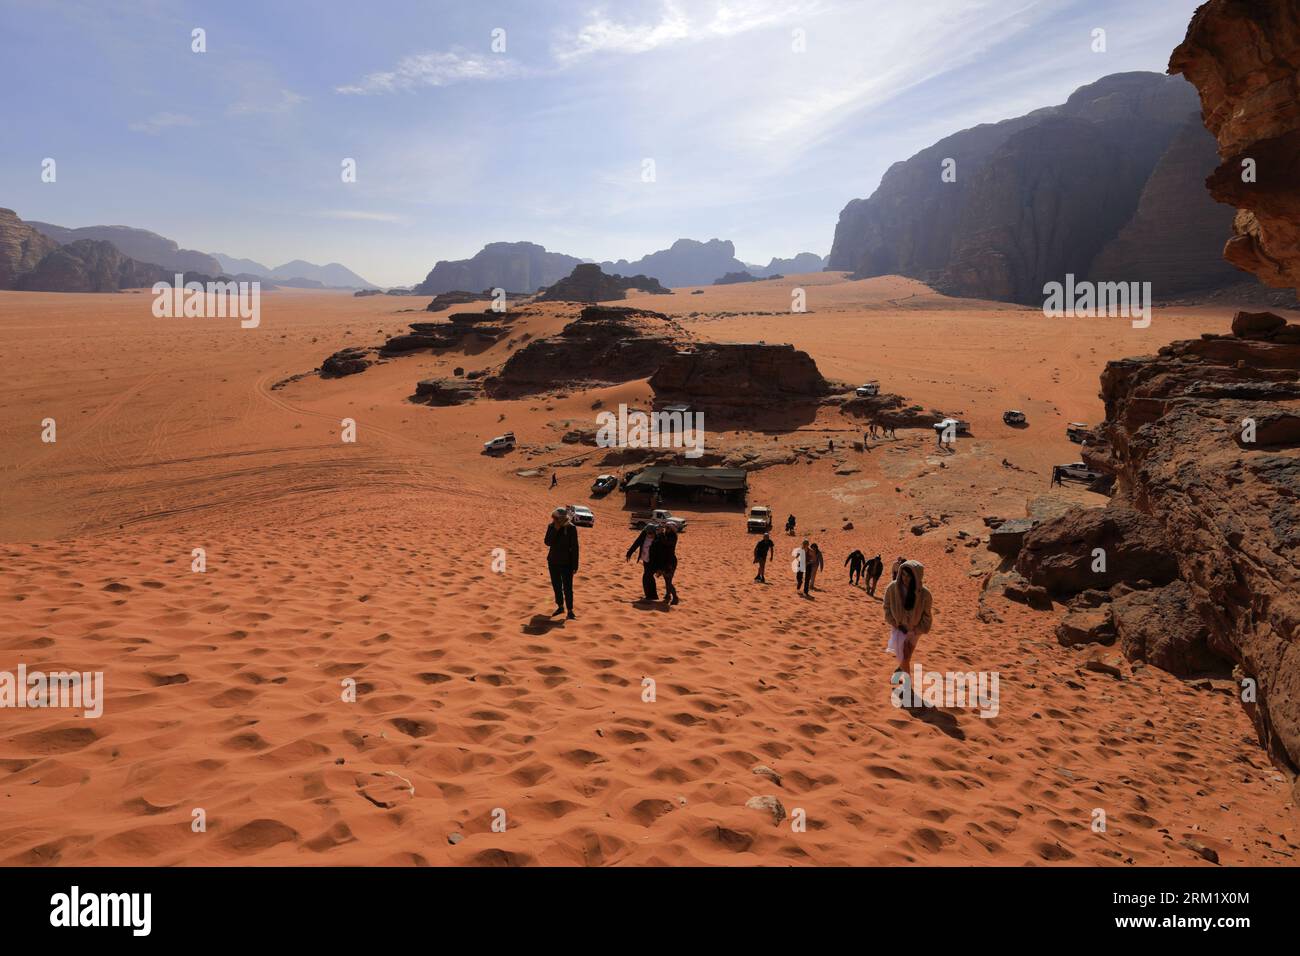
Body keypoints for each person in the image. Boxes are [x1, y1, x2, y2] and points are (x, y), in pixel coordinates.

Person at [884, 559, 933, 675]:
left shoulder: (925, 594)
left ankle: (901, 668)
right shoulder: (892, 588)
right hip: (899, 629)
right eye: (903, 575)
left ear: (916, 577)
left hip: (915, 631)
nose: (905, 578)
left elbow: (927, 616)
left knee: (907, 658)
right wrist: (896, 623)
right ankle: (907, 688)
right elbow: (886, 607)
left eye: (909, 576)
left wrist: (916, 630)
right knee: (905, 657)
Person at [544, 506, 579, 619]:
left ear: (561, 518)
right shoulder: (551, 527)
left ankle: (570, 610)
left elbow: (575, 547)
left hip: (567, 563)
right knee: (556, 586)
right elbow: (547, 542)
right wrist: (556, 529)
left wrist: (575, 565)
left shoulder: (571, 528)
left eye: (555, 518)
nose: (553, 519)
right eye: (553, 517)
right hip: (553, 561)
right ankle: (560, 606)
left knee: (568, 587)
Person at [626, 522, 660, 601]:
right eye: (647, 532)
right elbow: (637, 542)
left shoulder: (658, 538)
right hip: (645, 559)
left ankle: (652, 596)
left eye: (650, 533)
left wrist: (660, 567)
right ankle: (650, 595)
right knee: (648, 577)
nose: (648, 534)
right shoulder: (644, 534)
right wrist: (630, 552)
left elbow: (661, 552)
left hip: (653, 561)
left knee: (647, 577)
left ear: (654, 532)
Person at [655, 523, 680, 605]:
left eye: (668, 528)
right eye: (666, 527)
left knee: (668, 580)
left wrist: (661, 534)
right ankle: (668, 595)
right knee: (666, 579)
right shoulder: (666, 535)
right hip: (665, 560)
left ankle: (675, 597)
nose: (666, 529)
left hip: (670, 561)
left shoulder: (673, 537)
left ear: (672, 529)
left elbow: (667, 543)